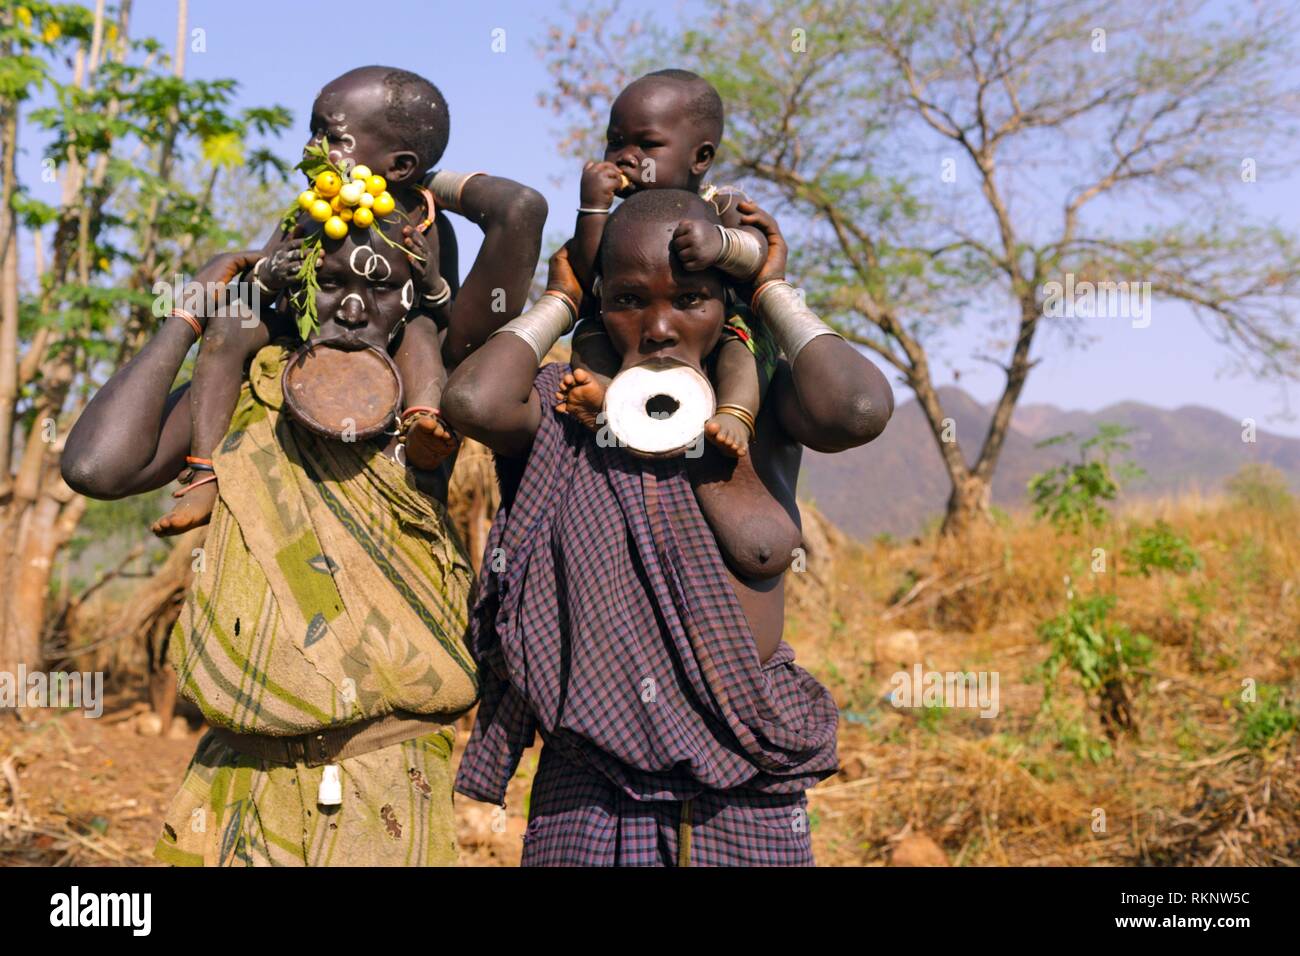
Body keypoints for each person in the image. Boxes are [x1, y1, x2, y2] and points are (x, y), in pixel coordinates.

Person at [61, 157, 546, 865]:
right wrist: (191, 313)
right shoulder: (239, 397)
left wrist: (395, 174)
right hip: (231, 786)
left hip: (383, 791)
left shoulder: (435, 399)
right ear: (295, 290)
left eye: (380, 287)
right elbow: (95, 467)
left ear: (412, 300)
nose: (353, 307)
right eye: (333, 282)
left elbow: (520, 212)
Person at [441, 188, 893, 866]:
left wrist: (772, 289)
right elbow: (472, 401)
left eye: (690, 300)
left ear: (726, 305)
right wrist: (559, 300)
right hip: (587, 790)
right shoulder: (563, 412)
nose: (657, 328)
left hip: (746, 783)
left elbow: (858, 407)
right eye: (626, 300)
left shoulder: (762, 410)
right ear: (600, 304)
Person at [153, 66, 462, 536]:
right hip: (298, 329)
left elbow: (446, 317)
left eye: (331, 135)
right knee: (231, 323)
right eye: (313, 131)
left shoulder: (424, 221)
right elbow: (264, 281)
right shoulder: (309, 209)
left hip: (388, 342)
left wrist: (433, 281)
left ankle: (421, 425)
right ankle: (205, 470)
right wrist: (270, 276)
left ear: (399, 167)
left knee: (418, 327)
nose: (313, 148)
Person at [559, 69, 778, 458]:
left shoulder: (721, 204)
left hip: (719, 330)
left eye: (648, 145)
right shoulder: (617, 222)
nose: (626, 157)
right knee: (590, 333)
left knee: (745, 337)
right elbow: (589, 273)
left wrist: (721, 245)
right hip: (632, 336)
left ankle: (736, 413)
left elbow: (761, 250)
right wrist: (592, 208)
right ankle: (608, 401)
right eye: (616, 143)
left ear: (700, 158)